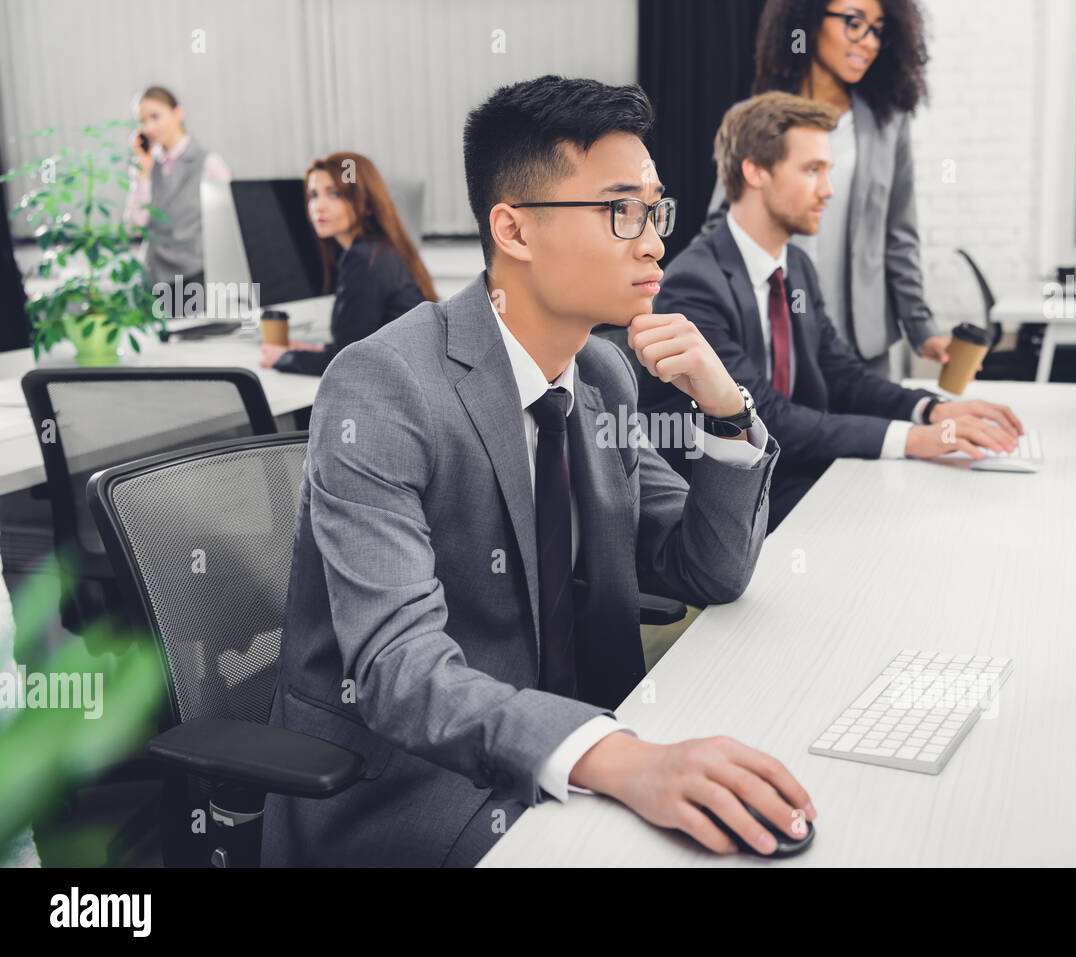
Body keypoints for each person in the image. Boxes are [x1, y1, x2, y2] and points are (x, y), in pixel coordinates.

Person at [261, 75, 816, 867]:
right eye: (622, 210)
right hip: (410, 786)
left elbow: (706, 569)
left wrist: (728, 412)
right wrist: (622, 757)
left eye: (655, 210)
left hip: (574, 751)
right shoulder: (384, 384)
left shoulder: (603, 375)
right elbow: (399, 670)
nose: (655, 240)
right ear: (514, 231)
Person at [641, 92, 1023, 531]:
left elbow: (842, 374)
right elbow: (765, 415)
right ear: (755, 171)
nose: (829, 189)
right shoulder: (695, 283)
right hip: (727, 508)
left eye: (828, 170)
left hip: (795, 476)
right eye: (812, 170)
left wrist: (929, 411)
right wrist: (914, 439)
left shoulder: (796, 267)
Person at [700, 0, 945, 379]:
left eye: (878, 30)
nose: (869, 42)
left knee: (870, 435)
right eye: (854, 22)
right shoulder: (752, 118)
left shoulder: (888, 126)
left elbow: (899, 237)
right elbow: (721, 227)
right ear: (809, 21)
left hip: (862, 345)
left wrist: (921, 328)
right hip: (772, 340)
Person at [259, 152, 436, 375]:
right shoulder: (381, 251)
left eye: (334, 194)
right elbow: (356, 345)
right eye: (313, 195)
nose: (318, 207)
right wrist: (312, 351)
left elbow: (349, 362)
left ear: (367, 203)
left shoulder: (364, 259)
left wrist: (285, 358)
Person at [125, 85, 231, 317]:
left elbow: (227, 230)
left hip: (195, 277)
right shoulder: (145, 165)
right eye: (142, 121)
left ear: (177, 113)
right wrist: (142, 173)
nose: (149, 127)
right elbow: (134, 225)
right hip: (154, 278)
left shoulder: (208, 164)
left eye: (155, 117)